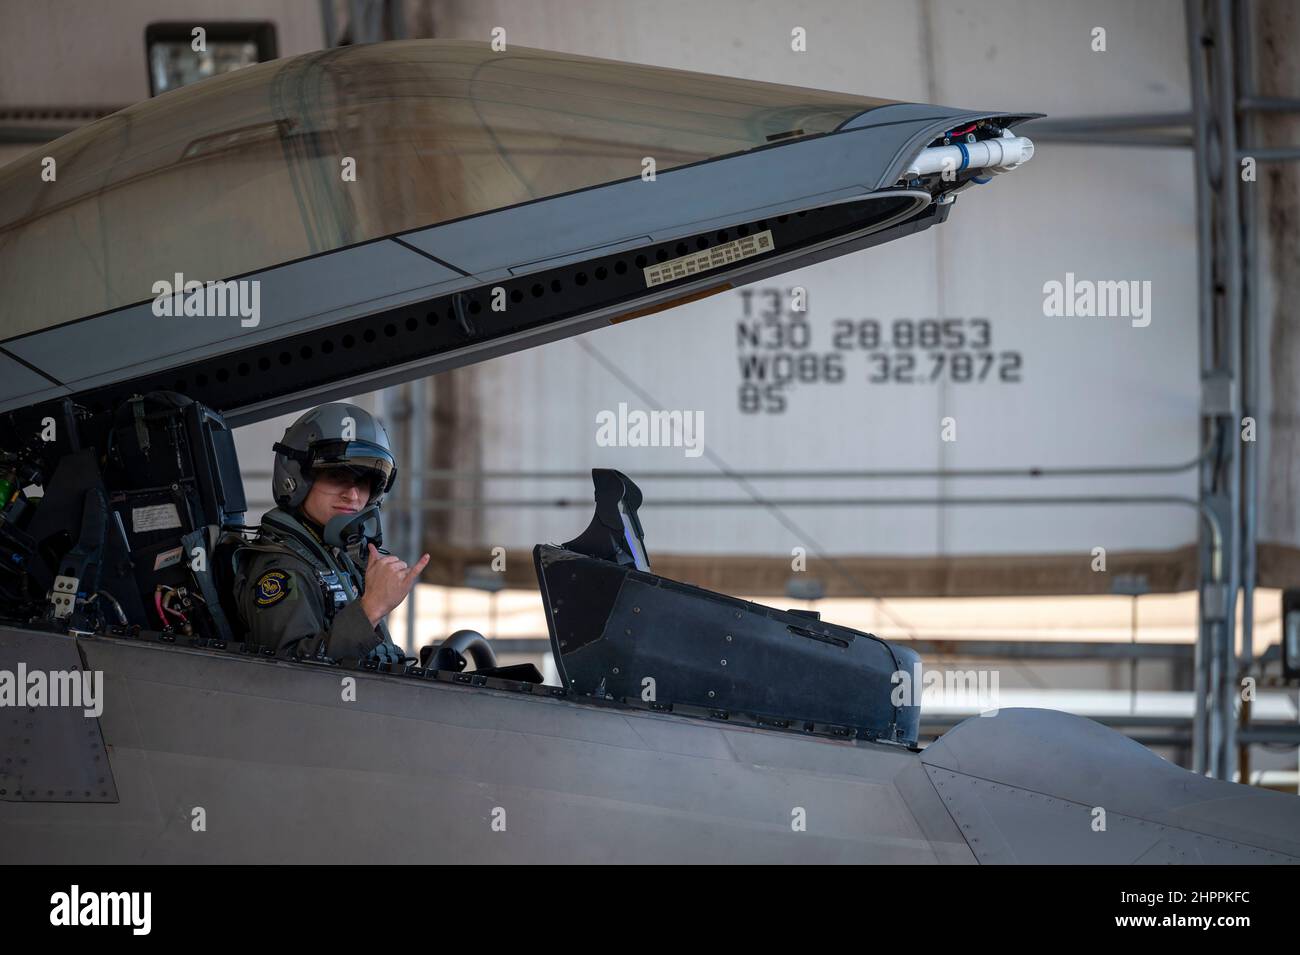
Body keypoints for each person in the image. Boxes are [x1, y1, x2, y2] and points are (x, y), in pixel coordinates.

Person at [231, 402, 429, 663]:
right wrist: (372, 607)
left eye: (364, 482)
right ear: (297, 478)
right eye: (337, 476)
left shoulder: (335, 556)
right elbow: (290, 677)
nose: (353, 495)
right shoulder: (281, 571)